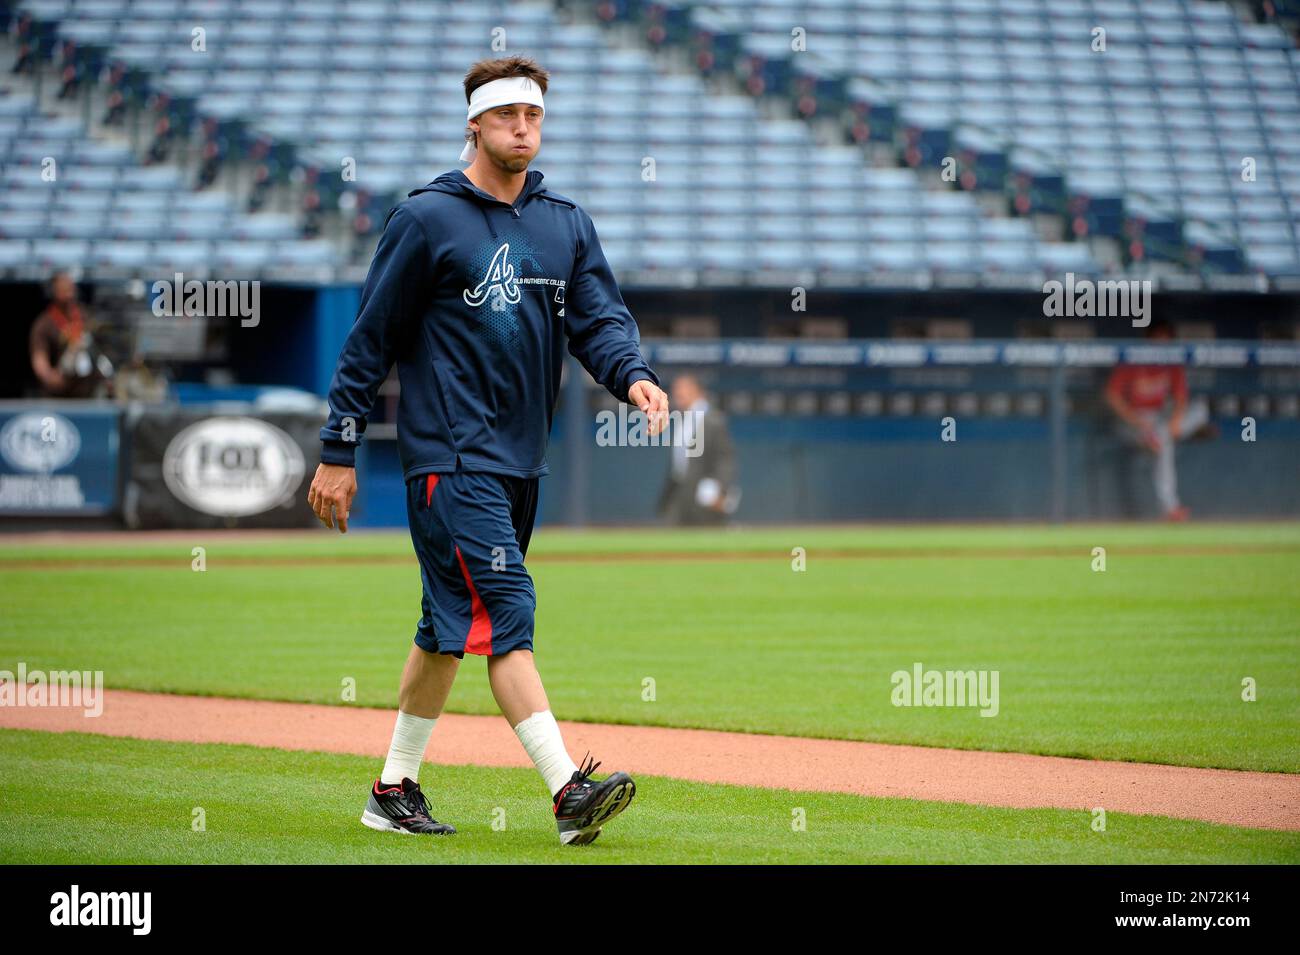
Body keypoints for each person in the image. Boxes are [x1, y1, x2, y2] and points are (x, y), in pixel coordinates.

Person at [307, 56, 669, 846]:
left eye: (534, 116)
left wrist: (632, 377)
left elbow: (600, 321)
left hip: (519, 462)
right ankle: (568, 791)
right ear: (474, 124)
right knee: (508, 610)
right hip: (450, 458)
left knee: (447, 627)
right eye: (507, 116)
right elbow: (368, 341)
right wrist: (338, 449)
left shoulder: (565, 221)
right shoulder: (427, 218)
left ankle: (391, 789)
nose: (523, 129)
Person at [1104, 319, 1212, 521]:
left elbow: (1181, 399)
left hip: (1162, 421)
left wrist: (1176, 422)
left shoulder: (1172, 363)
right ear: (1147, 340)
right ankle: (1170, 507)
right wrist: (1136, 421)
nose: (1161, 345)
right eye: (1157, 340)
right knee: (1163, 439)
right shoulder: (1132, 360)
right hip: (1134, 422)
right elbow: (1112, 395)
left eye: (1166, 340)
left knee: (1200, 410)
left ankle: (1172, 434)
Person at [657, 373, 739, 525]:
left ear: (695, 390)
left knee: (707, 541)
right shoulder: (681, 418)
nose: (677, 394)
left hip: (704, 494)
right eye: (675, 390)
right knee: (673, 541)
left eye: (682, 389)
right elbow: (678, 463)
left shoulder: (713, 419)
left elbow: (725, 459)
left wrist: (720, 490)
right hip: (680, 493)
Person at [28, 271, 110, 399]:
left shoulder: (85, 316)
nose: (68, 291)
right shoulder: (44, 324)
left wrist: (105, 377)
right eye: (63, 287)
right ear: (53, 291)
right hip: (59, 396)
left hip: (87, 393)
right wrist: (49, 377)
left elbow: (99, 352)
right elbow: (39, 359)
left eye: (70, 286)